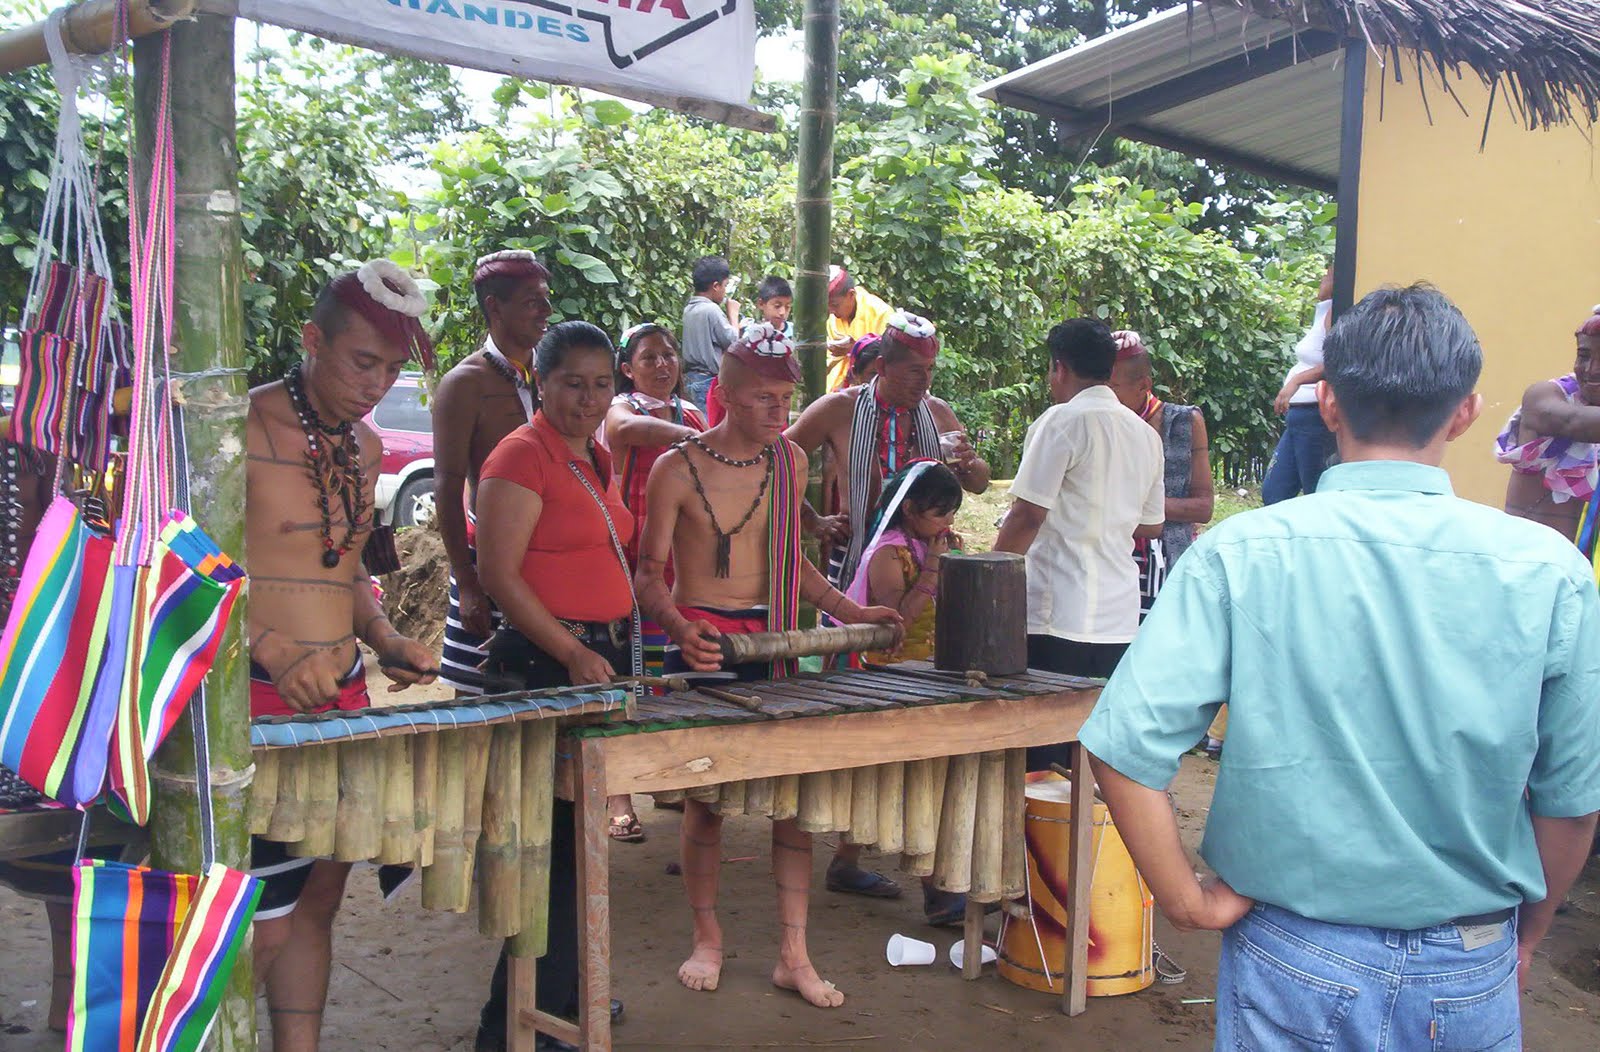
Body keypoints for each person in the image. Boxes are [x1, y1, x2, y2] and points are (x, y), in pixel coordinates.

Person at [1083, 284, 1600, 1051]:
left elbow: (1123, 749)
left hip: (1291, 951)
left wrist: (1186, 903)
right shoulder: (1552, 571)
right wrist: (1525, 938)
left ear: (1326, 405)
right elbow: (1570, 801)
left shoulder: (1243, 551)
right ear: (1465, 413)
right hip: (1470, 958)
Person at [634, 323, 901, 1010]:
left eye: (787, 399)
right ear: (724, 394)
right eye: (765, 400)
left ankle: (793, 953)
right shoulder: (677, 468)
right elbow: (646, 576)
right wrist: (679, 628)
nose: (782, 415)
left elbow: (795, 563)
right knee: (708, 802)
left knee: (793, 807)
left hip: (777, 642)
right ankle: (708, 938)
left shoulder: (789, 462)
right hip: (704, 643)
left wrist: (853, 612)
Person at [245, 262, 438, 1052]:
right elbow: (175, 568)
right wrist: (272, 649)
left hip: (341, 698)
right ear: (312, 340)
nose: (376, 386)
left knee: (320, 899)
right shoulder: (239, 426)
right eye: (364, 363)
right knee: (252, 920)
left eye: (392, 370)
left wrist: (385, 638)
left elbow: (346, 565)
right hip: (245, 700)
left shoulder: (362, 444)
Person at [472, 321, 634, 1052]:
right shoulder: (519, 454)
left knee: (577, 854)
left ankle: (561, 1006)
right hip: (541, 671)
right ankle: (512, 1030)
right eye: (574, 382)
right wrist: (570, 650)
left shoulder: (594, 455)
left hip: (595, 665)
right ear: (541, 380)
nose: (589, 398)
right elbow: (498, 576)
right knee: (544, 858)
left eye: (603, 384)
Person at [786, 314, 988, 895]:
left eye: (930, 372)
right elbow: (777, 462)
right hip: (853, 582)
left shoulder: (940, 416)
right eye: (912, 372)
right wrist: (815, 519)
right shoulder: (838, 409)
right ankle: (837, 847)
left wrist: (969, 463)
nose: (923, 383)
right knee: (858, 723)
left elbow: (975, 483)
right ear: (883, 364)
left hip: (921, 583)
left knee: (910, 718)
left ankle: (880, 864)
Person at [993, 318, 1163, 770]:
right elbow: (1150, 525)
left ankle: (1040, 842)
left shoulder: (1062, 421)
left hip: (1056, 615)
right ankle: (1081, 841)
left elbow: (1027, 514)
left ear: (1059, 368)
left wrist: (986, 580)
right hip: (1118, 618)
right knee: (1091, 754)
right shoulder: (1145, 434)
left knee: (1042, 760)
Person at [842, 459, 974, 925]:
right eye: (940, 514)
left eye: (952, 515)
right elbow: (896, 619)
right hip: (879, 677)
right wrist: (935, 567)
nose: (948, 524)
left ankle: (845, 864)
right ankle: (941, 895)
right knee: (914, 782)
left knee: (885, 779)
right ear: (911, 510)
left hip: (923, 675)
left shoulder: (925, 545)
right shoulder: (888, 553)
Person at [602, 321, 707, 841]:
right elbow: (623, 433)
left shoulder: (691, 412)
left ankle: (661, 776)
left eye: (668, 355)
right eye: (649, 358)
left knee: (666, 667)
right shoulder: (623, 408)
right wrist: (692, 435)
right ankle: (618, 793)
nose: (663, 365)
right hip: (627, 556)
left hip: (677, 561)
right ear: (627, 368)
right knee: (626, 667)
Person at [432, 250, 553, 696]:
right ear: (494, 307)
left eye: (545, 299)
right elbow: (446, 487)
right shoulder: (465, 383)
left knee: (549, 693)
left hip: (550, 559)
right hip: (488, 559)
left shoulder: (554, 374)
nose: (545, 310)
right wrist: (467, 581)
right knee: (483, 696)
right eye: (530, 300)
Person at [1108, 330, 1214, 617]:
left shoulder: (1183, 422)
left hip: (1168, 560)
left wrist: (1130, 507)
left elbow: (1203, 508)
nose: (1104, 394)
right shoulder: (1094, 423)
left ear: (1144, 385)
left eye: (1113, 386)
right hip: (1110, 556)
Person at [1496, 306, 1600, 546]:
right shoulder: (1545, 396)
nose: (1592, 369)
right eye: (1584, 356)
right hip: (1533, 567)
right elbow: (1574, 421)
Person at [1262, 267, 1336, 504]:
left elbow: (1338, 362)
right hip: (1298, 417)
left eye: (1329, 273)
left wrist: (1296, 381)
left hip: (1315, 415)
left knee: (1314, 493)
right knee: (1274, 492)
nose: (1323, 276)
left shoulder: (1337, 313)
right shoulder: (1323, 311)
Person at [680, 255, 740, 408]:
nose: (725, 291)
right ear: (716, 286)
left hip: (690, 379)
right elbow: (734, 342)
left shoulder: (689, 309)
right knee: (708, 426)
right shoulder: (711, 310)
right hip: (706, 381)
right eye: (725, 286)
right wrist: (733, 313)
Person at [824, 266, 894, 392]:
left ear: (851, 295)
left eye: (834, 305)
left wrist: (854, 348)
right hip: (837, 389)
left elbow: (889, 358)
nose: (831, 311)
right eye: (827, 306)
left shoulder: (881, 313)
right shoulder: (833, 319)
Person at [746, 274, 793, 339]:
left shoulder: (796, 333)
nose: (782, 312)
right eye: (777, 306)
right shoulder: (751, 333)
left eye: (787, 307)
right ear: (761, 304)